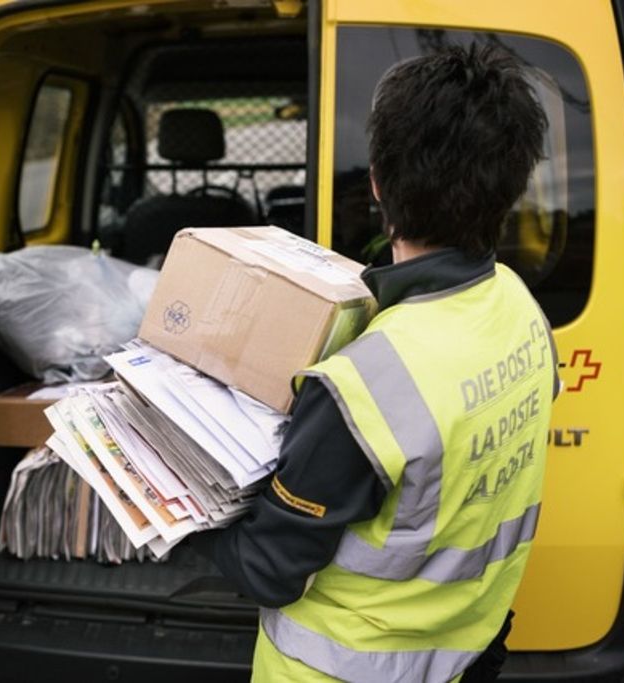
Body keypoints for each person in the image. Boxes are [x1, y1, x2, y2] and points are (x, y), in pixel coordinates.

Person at [194, 44, 560, 682]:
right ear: (513, 186)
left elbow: (267, 571)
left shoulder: (362, 388)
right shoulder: (519, 306)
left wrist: (177, 512)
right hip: (466, 650)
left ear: (376, 185)